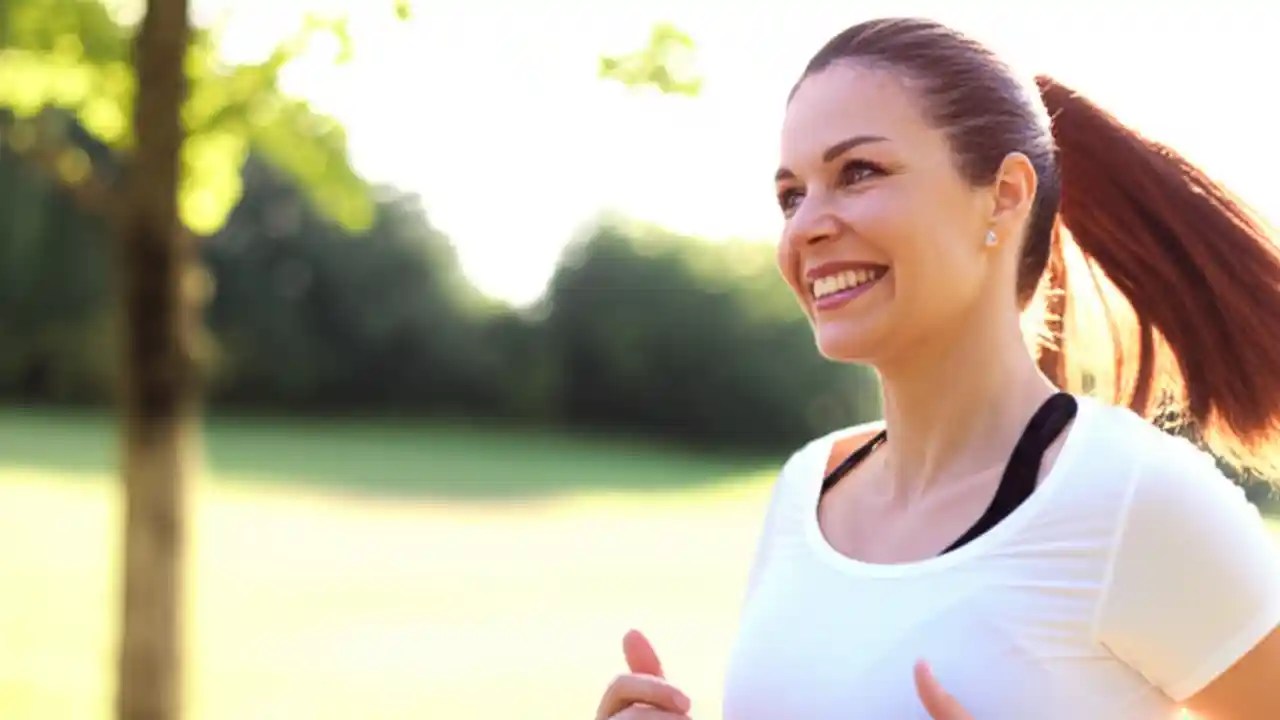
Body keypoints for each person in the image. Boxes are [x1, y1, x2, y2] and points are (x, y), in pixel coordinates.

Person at [593, 15, 1280, 720]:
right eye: (791, 195)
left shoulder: (1134, 497)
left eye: (858, 172)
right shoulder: (806, 490)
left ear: (1006, 194)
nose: (804, 227)